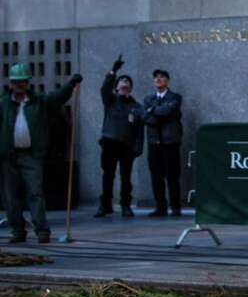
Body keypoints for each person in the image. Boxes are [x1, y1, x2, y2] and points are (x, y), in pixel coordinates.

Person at [1, 64, 82, 243]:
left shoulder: (39, 101)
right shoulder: (3, 103)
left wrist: (70, 84)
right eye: (16, 82)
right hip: (9, 157)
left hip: (31, 155)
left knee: (35, 193)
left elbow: (58, 97)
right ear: (11, 83)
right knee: (10, 197)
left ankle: (42, 230)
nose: (19, 85)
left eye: (23, 81)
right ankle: (17, 230)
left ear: (28, 82)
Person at [96, 54, 143, 218]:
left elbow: (139, 128)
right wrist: (113, 70)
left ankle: (125, 205)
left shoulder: (136, 106)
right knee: (108, 175)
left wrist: (138, 147)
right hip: (110, 142)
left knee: (126, 177)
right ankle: (105, 205)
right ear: (117, 88)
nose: (125, 83)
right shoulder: (110, 100)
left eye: (127, 83)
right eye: (122, 82)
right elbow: (104, 88)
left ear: (130, 89)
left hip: (127, 146)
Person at [143, 69, 183, 217]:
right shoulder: (148, 98)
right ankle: (160, 207)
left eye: (162, 77)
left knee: (172, 176)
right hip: (154, 142)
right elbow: (146, 117)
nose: (158, 79)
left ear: (168, 80)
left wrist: (153, 110)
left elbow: (168, 111)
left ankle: (176, 207)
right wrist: (156, 112)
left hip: (170, 142)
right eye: (156, 77)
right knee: (156, 176)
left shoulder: (175, 97)